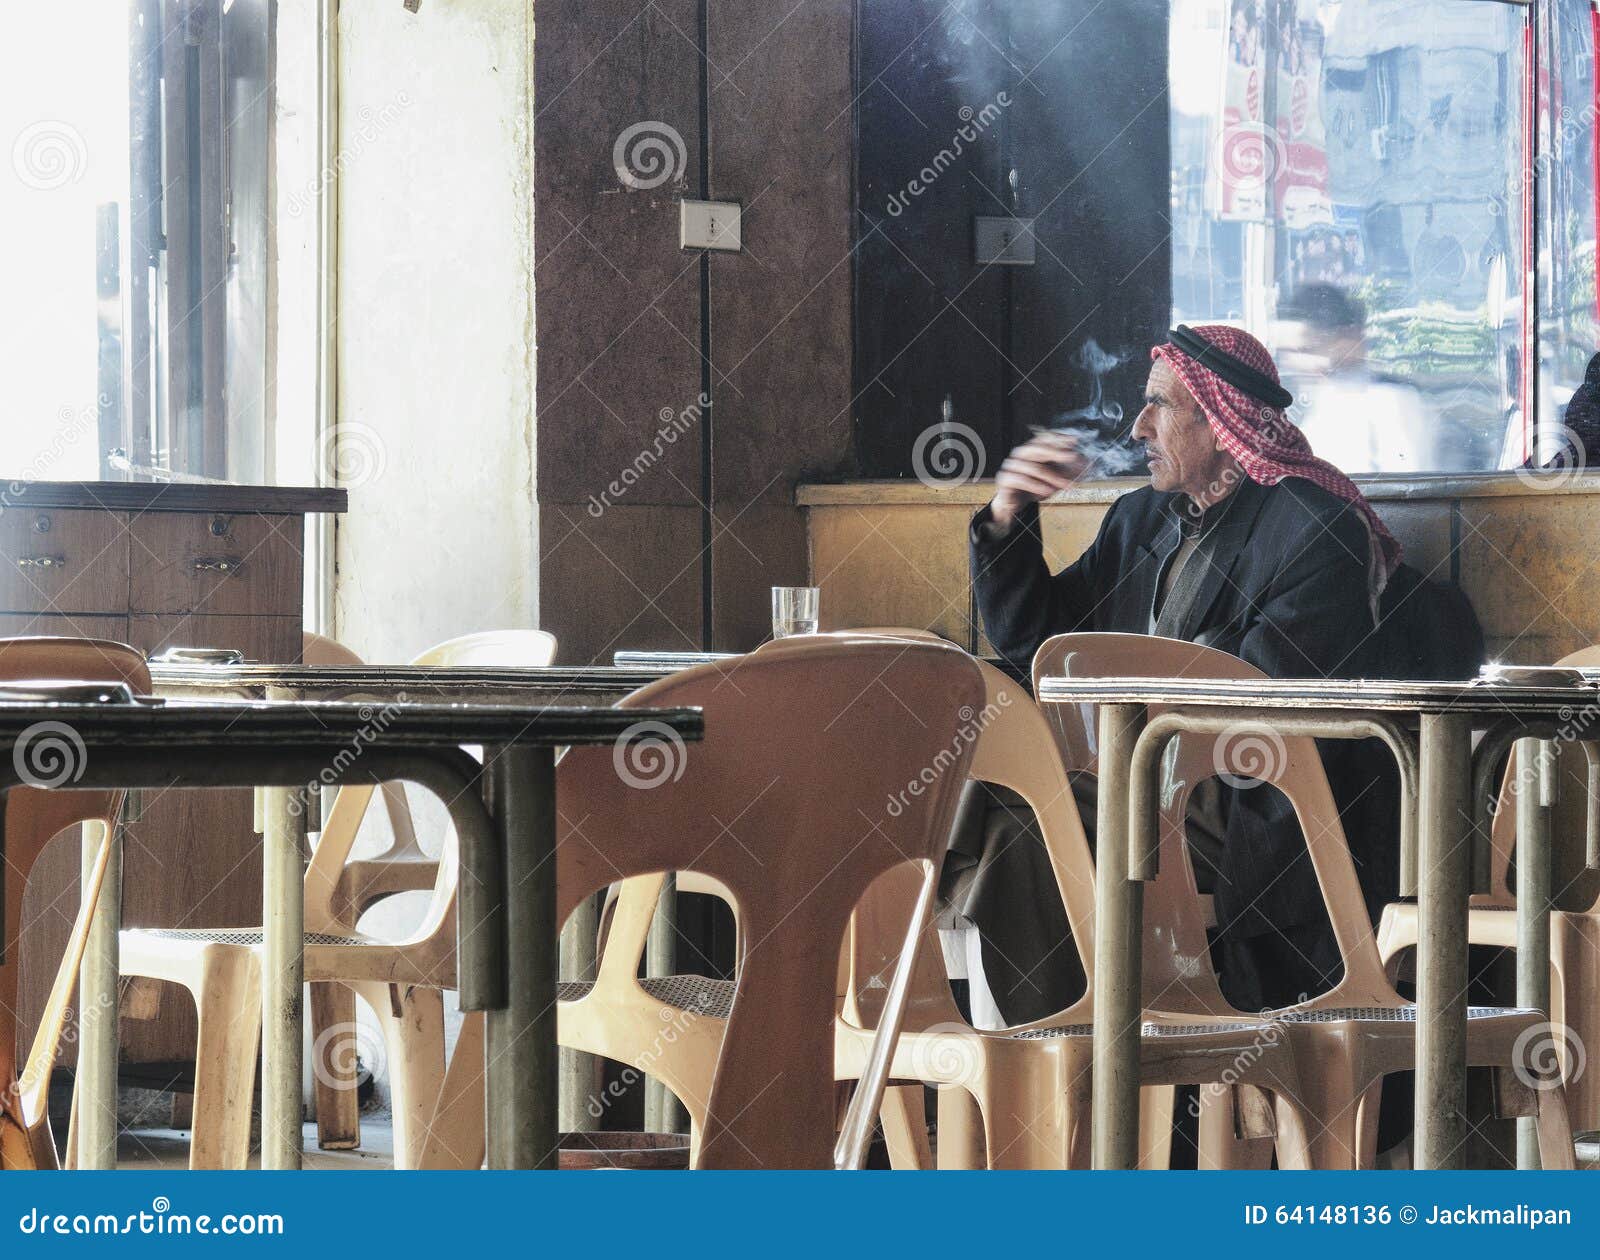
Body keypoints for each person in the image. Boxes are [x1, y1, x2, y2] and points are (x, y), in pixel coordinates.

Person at [954, 323, 1404, 1021]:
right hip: (1126, 779)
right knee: (1009, 814)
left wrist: (1124, 698)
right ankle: (1043, 1072)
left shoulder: (1315, 529)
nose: (1140, 426)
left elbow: (1260, 697)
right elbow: (1039, 648)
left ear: (1226, 422)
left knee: (1014, 811)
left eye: (1160, 405)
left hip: (1242, 803)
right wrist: (1010, 519)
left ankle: (1049, 1079)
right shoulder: (1142, 519)